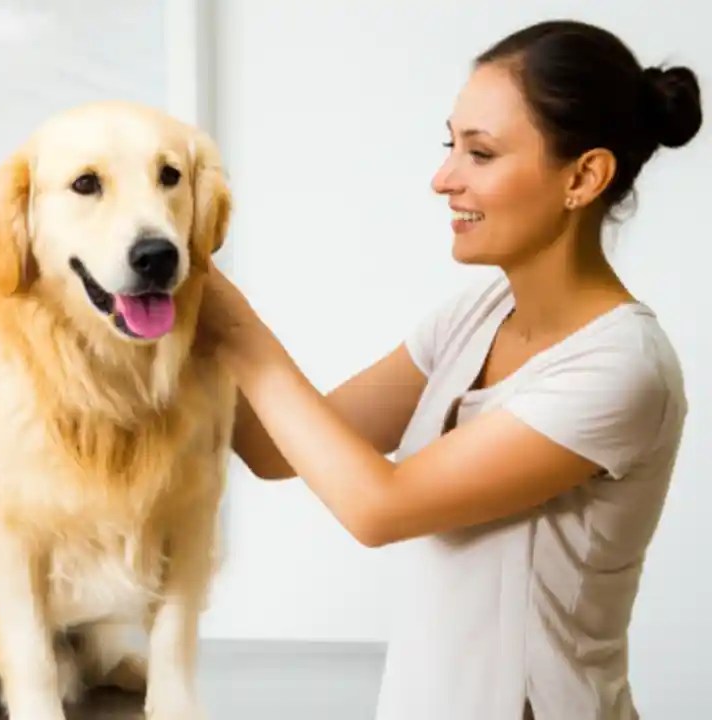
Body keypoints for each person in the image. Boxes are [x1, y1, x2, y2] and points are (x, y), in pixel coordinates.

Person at [203, 20, 701, 720]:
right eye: (451, 145)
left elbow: (379, 507)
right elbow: (272, 449)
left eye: (481, 153)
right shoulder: (474, 315)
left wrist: (232, 324)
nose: (444, 179)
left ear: (583, 176)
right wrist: (161, 308)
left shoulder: (621, 369)